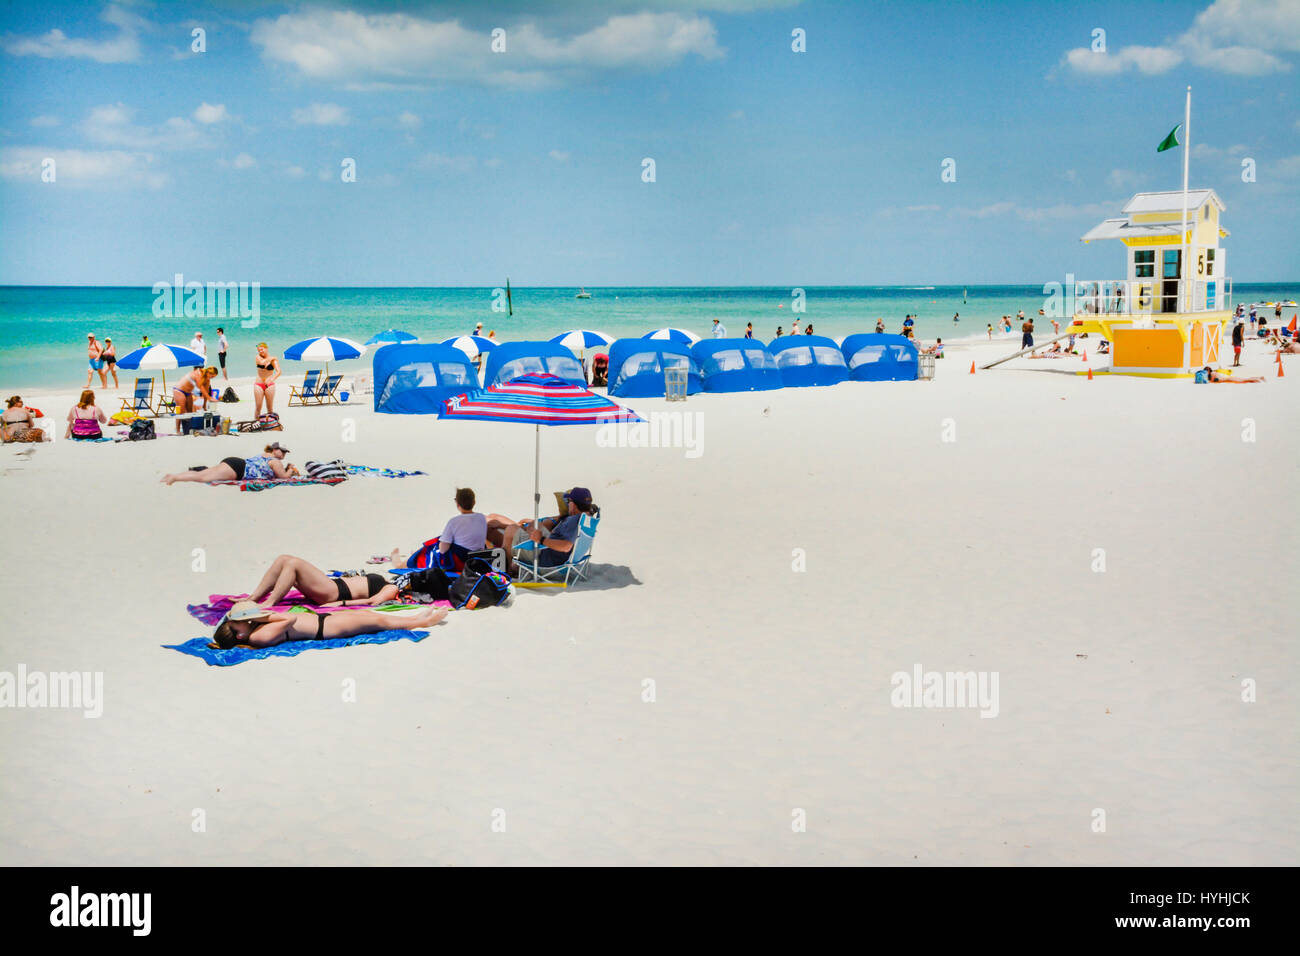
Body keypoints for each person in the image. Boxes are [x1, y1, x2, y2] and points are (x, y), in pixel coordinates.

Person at [209, 600, 445, 650]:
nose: (246, 623)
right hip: (325, 630)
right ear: (240, 637)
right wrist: (261, 617)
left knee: (368, 614)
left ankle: (415, 619)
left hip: (324, 622)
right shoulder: (258, 637)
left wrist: (258, 617)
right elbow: (289, 619)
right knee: (377, 621)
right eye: (240, 625)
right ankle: (422, 621)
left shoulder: (254, 632)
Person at [486, 486, 593, 572]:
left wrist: (541, 540)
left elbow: (566, 547)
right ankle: (519, 540)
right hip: (555, 553)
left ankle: (508, 570)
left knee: (511, 529)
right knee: (534, 525)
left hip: (546, 557)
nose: (567, 504)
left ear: (573, 505)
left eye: (568, 501)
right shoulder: (587, 518)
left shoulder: (574, 520)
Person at [161, 441, 296, 485]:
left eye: (285, 452)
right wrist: (290, 469)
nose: (283, 454)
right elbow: (283, 477)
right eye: (282, 451)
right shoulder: (275, 461)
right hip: (239, 469)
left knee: (203, 473)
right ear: (274, 449)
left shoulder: (263, 454)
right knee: (203, 477)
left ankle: (174, 476)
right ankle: (174, 478)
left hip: (236, 463)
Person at [436, 487, 488, 567]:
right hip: (479, 557)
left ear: (457, 504)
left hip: (462, 561)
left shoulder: (454, 521)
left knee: (438, 542)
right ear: (474, 502)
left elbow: (443, 549)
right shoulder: (482, 518)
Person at [253, 342, 281, 420]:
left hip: (270, 385)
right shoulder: (258, 357)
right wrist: (272, 358)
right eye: (259, 350)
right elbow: (262, 362)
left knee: (270, 407)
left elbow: (279, 371)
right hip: (259, 384)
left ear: (266, 348)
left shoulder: (273, 360)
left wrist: (272, 379)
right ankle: (256, 422)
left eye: (261, 349)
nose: (260, 351)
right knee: (258, 406)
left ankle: (270, 424)